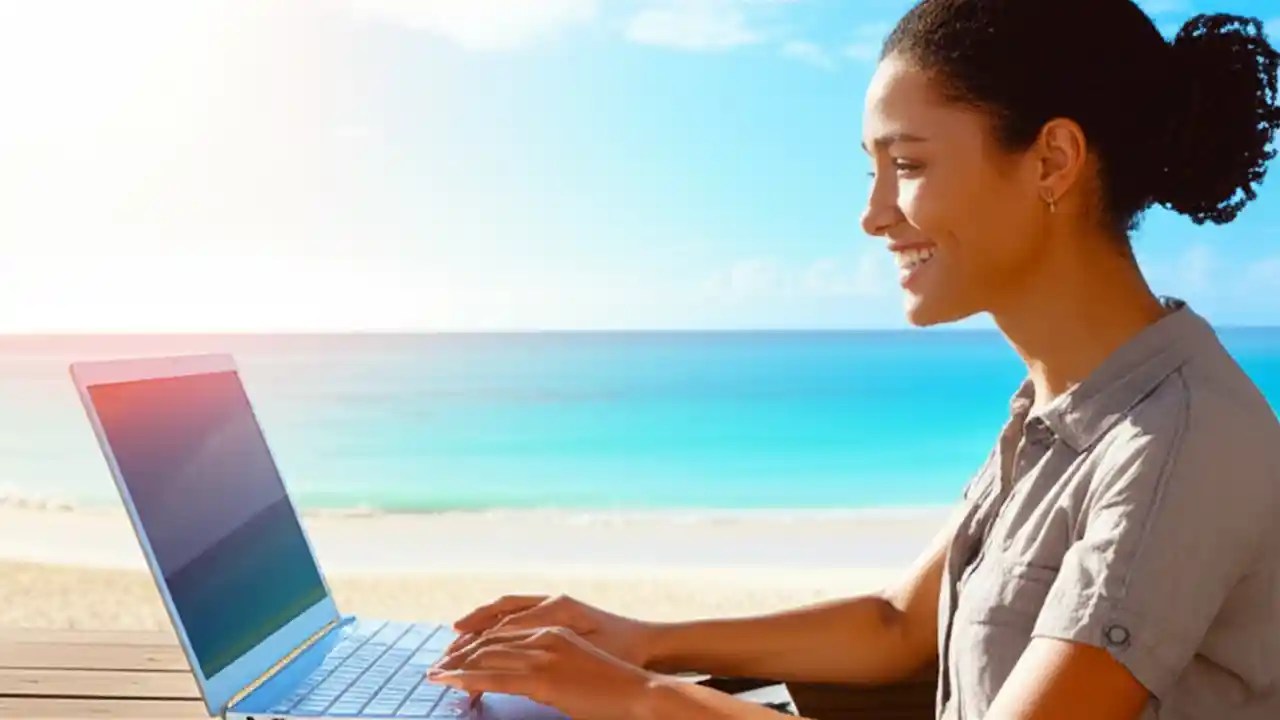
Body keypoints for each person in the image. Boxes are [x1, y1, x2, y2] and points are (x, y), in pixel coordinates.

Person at [426, 1, 1280, 718]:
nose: (874, 216)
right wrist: (640, 639)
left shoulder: (1178, 441)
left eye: (906, 164)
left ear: (1052, 160)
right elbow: (894, 625)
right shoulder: (1062, 408)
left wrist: (641, 697)